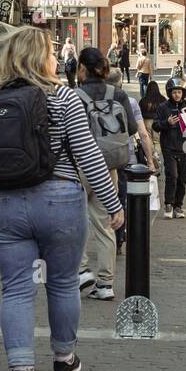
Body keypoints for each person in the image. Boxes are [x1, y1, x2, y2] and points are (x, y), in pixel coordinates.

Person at [0, 27, 123, 371]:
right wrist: (112, 203)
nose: (57, 58)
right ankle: (63, 359)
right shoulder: (65, 98)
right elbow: (87, 154)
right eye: (52, 53)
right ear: (42, 58)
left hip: (5, 203)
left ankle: (21, 370)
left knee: (16, 289)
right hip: (60, 200)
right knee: (63, 282)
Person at [75, 48, 137, 301]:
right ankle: (105, 284)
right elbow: (131, 128)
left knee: (73, 222)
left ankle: (81, 270)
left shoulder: (74, 96)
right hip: (109, 167)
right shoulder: (119, 94)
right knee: (106, 224)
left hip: (80, 166)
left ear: (82, 68)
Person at [109, 66, 155, 253]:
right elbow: (143, 133)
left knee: (102, 200)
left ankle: (108, 235)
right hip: (125, 157)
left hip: (99, 158)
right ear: (121, 82)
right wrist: (150, 160)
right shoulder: (130, 102)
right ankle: (119, 235)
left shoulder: (93, 100)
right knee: (122, 197)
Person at [152, 77, 186, 218]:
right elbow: (155, 126)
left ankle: (178, 206)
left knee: (182, 177)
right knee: (172, 175)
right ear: (170, 93)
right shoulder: (163, 107)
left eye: (179, 92)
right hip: (168, 146)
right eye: (174, 92)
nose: (177, 95)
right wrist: (166, 123)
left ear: (183, 93)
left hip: (185, 146)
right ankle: (168, 204)